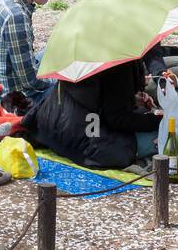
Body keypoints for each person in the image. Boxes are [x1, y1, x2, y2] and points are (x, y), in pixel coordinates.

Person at [24, 57, 162, 170]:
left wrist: (130, 99)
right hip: (87, 139)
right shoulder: (119, 63)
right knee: (171, 133)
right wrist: (159, 121)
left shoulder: (85, 50)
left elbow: (93, 94)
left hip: (52, 125)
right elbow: (117, 119)